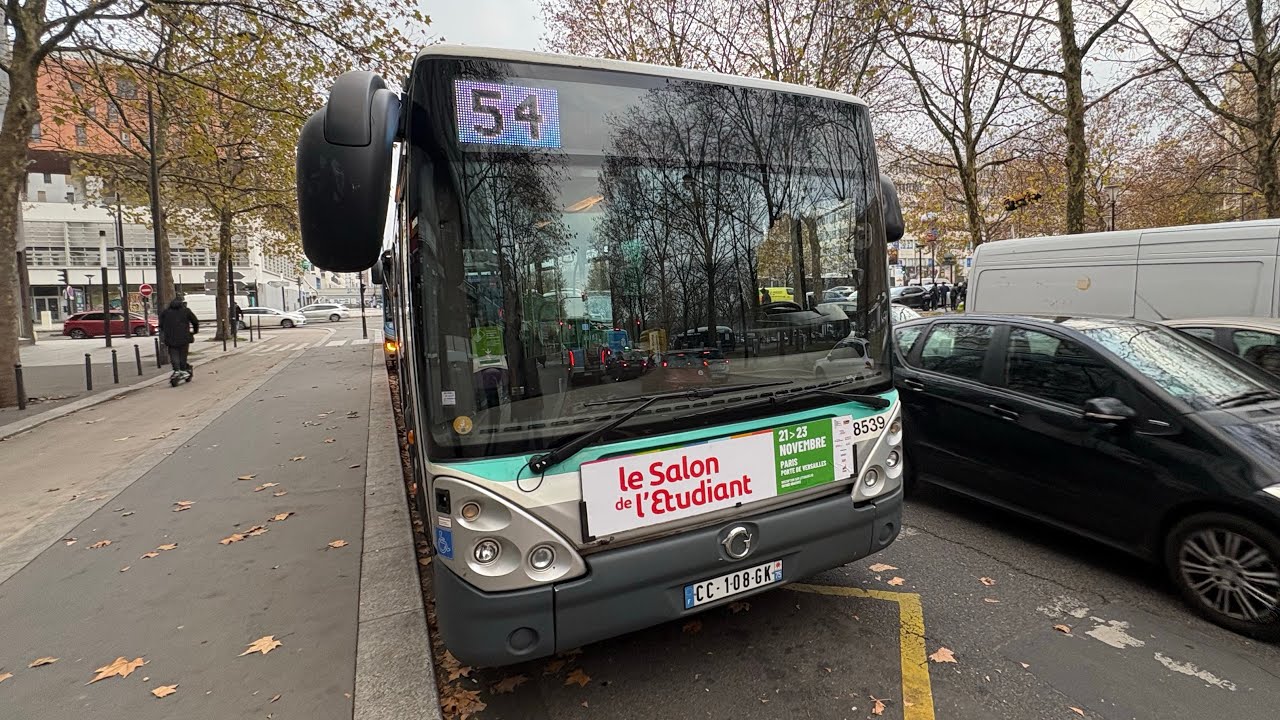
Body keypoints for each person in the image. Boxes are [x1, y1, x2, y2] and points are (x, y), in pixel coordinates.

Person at [159, 295, 199, 381]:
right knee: (183, 355)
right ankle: (183, 369)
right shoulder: (186, 311)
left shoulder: (165, 312)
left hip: (170, 337)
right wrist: (195, 331)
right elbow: (195, 321)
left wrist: (165, 332)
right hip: (184, 337)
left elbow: (161, 324)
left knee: (173, 354)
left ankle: (176, 370)